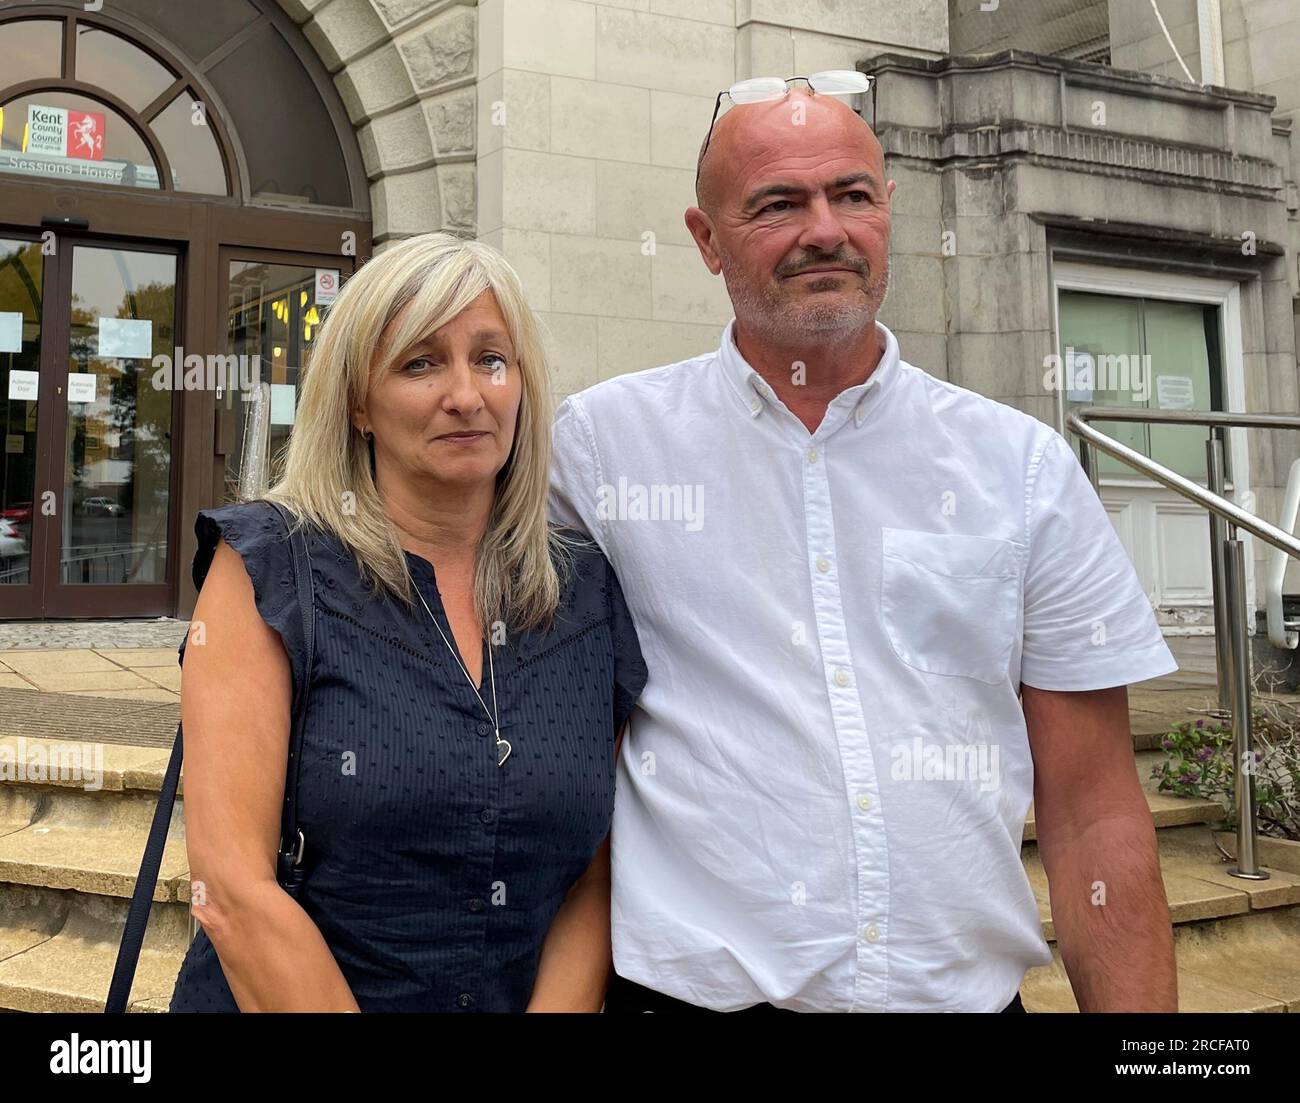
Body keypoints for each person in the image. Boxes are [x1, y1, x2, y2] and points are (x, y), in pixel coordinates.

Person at [549, 80, 1179, 1013]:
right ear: (704, 237)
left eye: (852, 195)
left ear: (888, 211)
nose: (825, 229)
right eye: (777, 204)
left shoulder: (1023, 468)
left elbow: (1094, 814)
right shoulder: (603, 449)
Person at [170, 233, 646, 1012]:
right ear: (358, 401)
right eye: (421, 363)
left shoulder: (583, 589)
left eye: (491, 359)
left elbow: (589, 878)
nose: (467, 394)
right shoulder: (269, 566)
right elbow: (230, 888)